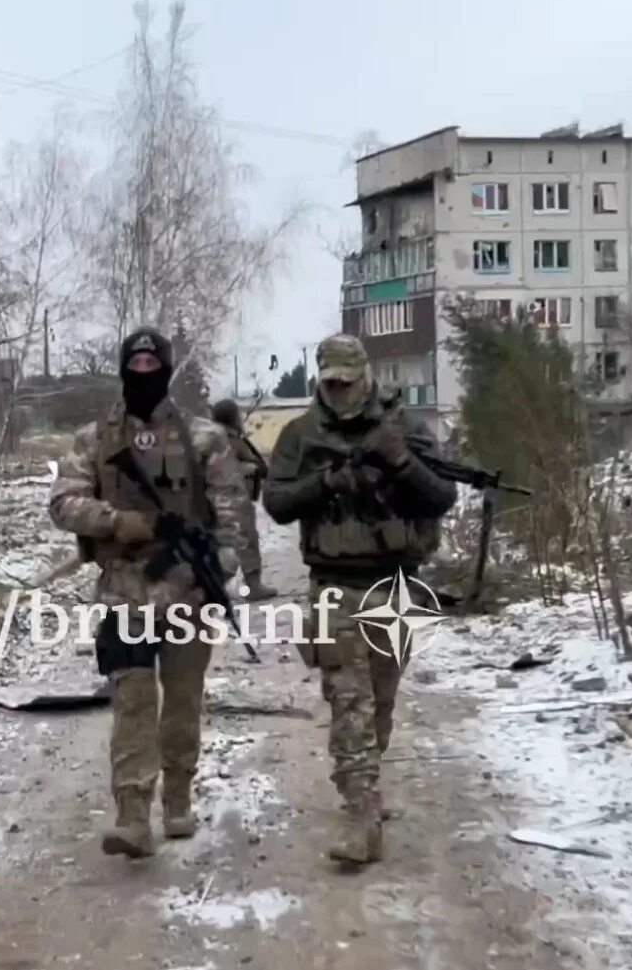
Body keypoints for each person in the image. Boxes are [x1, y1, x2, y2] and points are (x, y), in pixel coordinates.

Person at [49, 328, 248, 858]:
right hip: (124, 593)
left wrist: (214, 567)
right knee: (133, 703)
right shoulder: (96, 440)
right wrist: (121, 523)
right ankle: (132, 813)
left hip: (187, 595)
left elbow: (231, 516)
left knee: (182, 701)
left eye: (150, 366)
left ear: (165, 370)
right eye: (133, 366)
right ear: (122, 370)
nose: (142, 374)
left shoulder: (204, 438)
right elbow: (64, 504)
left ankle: (177, 798)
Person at [262, 334, 457, 866]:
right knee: (348, 701)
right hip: (331, 584)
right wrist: (329, 481)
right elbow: (276, 501)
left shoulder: (405, 429)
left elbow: (442, 496)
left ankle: (366, 787)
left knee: (380, 701)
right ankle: (360, 814)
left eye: (349, 381)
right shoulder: (301, 434)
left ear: (366, 376)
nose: (340, 390)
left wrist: (399, 462)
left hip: (394, 585)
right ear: (320, 381)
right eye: (330, 382)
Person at [209, 398, 279, 600]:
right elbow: (253, 464)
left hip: (215, 500)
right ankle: (253, 586)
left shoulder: (211, 437)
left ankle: (215, 585)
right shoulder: (230, 439)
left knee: (222, 542)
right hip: (235, 499)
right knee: (246, 541)